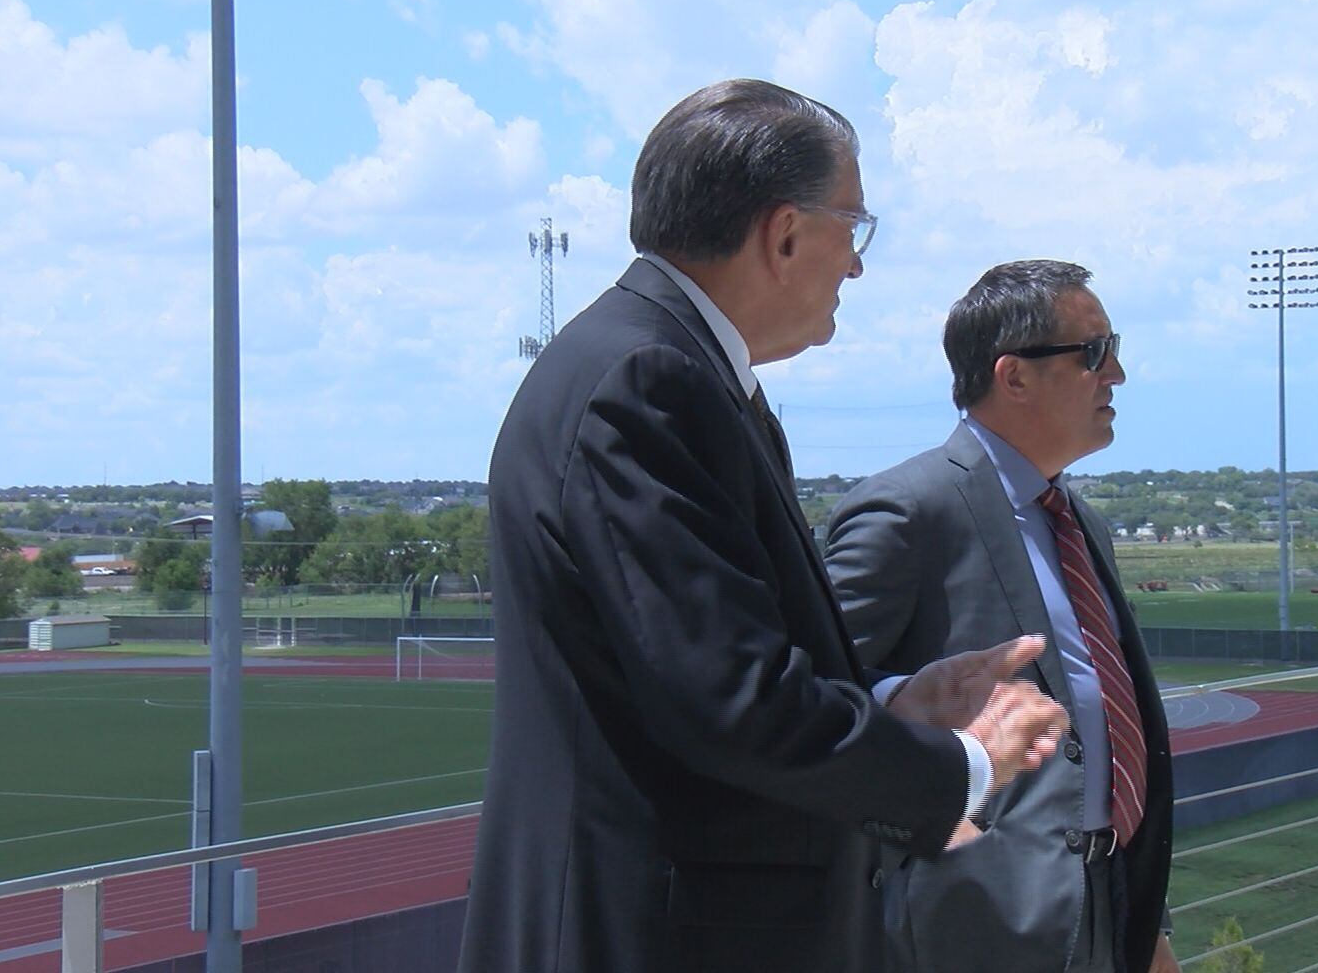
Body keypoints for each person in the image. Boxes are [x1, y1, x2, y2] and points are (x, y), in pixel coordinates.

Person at [459, 80, 1070, 973]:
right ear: (784, 234)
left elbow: (706, 668)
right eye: (851, 229)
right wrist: (962, 764)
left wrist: (896, 705)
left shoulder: (674, 370)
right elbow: (733, 701)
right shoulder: (647, 382)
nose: (856, 266)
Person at [826, 260, 1177, 973]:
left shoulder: (1080, 523)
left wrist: (1148, 925)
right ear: (1013, 376)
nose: (1118, 375)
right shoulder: (907, 513)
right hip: (969, 931)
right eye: (1093, 353)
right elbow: (814, 710)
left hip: (1108, 909)